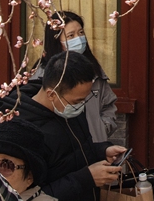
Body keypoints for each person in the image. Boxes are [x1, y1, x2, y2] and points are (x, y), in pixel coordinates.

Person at [0, 51, 127, 201]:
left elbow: (75, 153)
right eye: (77, 101)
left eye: (85, 99)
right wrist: (86, 178)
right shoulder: (18, 131)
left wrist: (101, 151)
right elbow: (21, 199)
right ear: (51, 93)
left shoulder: (69, 110)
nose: (81, 105)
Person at [31, 11, 119, 143]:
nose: (78, 39)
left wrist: (102, 128)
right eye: (71, 35)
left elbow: (108, 105)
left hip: (95, 147)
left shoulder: (94, 72)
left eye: (81, 33)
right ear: (56, 41)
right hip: (61, 149)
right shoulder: (44, 76)